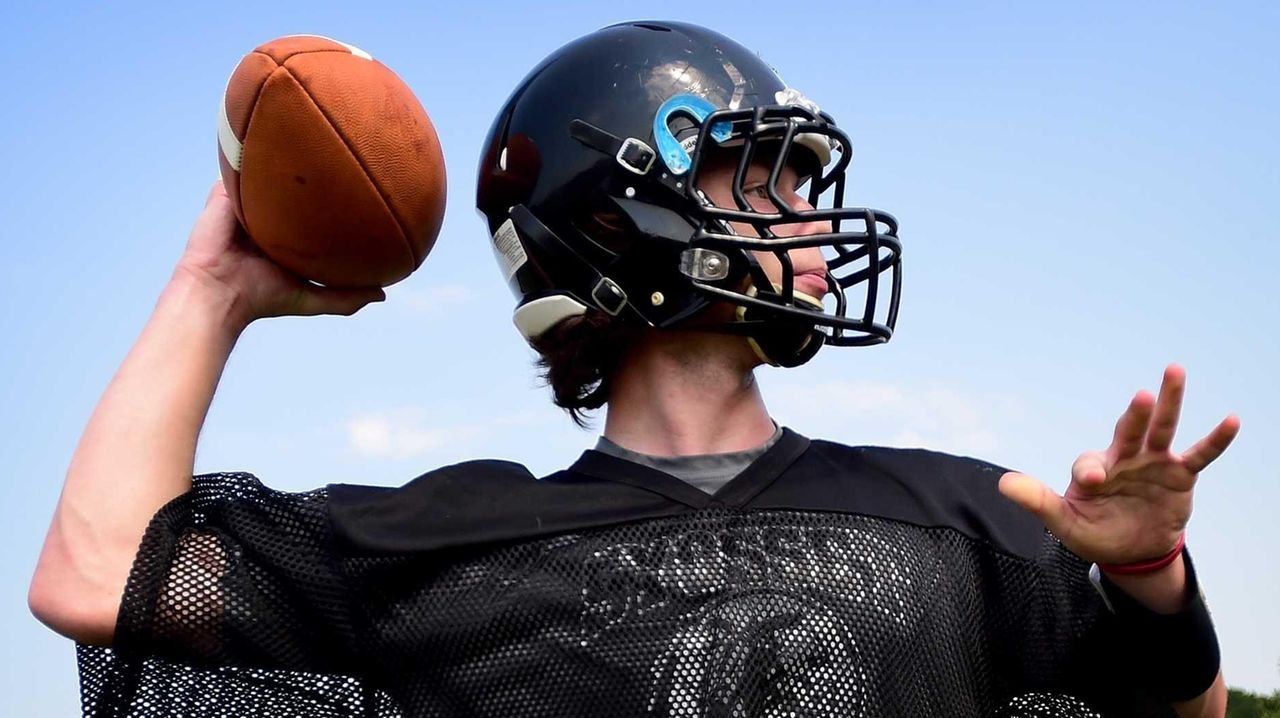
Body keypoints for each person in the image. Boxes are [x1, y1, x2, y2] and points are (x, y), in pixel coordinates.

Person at [30, 20, 1237, 718]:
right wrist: (213, 289)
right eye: (762, 177)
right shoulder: (449, 536)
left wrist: (1145, 571)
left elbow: (1184, 717)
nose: (813, 222)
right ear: (620, 216)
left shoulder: (967, 512)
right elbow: (94, 577)